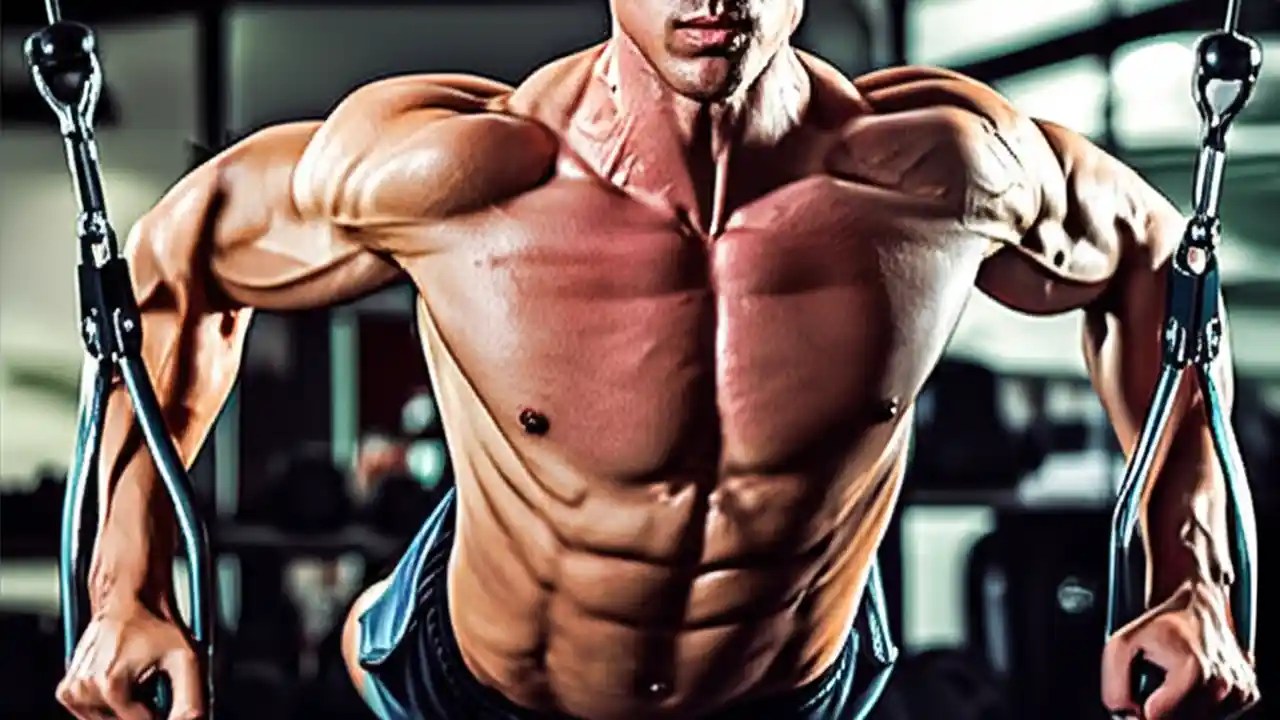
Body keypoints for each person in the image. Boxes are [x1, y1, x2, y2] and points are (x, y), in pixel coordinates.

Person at [55, 1, 1258, 719]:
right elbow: (175, 269)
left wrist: (1186, 578)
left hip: (799, 681)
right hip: (484, 687)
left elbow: (1162, 265)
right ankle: (386, 599)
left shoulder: (943, 175)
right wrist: (129, 590)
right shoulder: (464, 174)